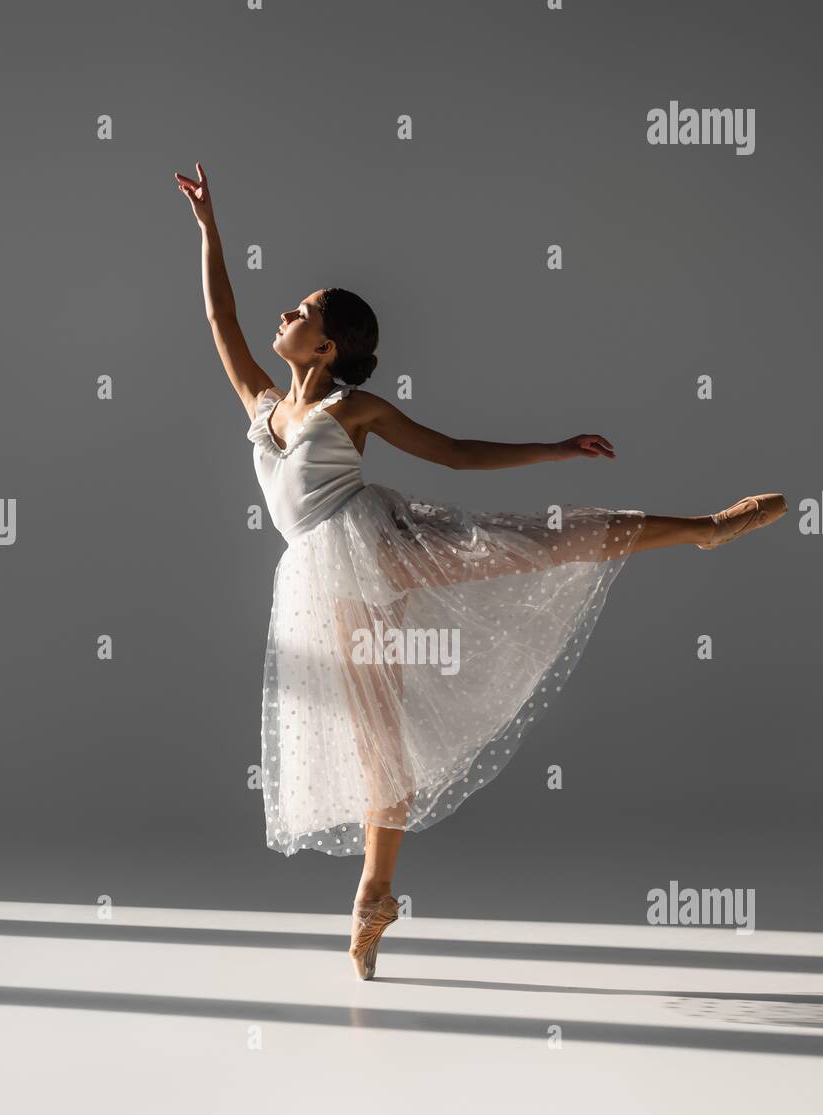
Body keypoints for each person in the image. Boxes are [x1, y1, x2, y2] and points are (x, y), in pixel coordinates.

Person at [176, 162, 788, 981]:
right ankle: (375, 896)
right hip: (320, 577)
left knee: (545, 539)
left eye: (302, 310)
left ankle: (706, 528)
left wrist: (552, 447)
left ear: (325, 348)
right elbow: (220, 316)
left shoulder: (349, 409)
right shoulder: (264, 403)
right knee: (375, 736)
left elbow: (454, 454)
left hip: (376, 542)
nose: (282, 313)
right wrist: (211, 227)